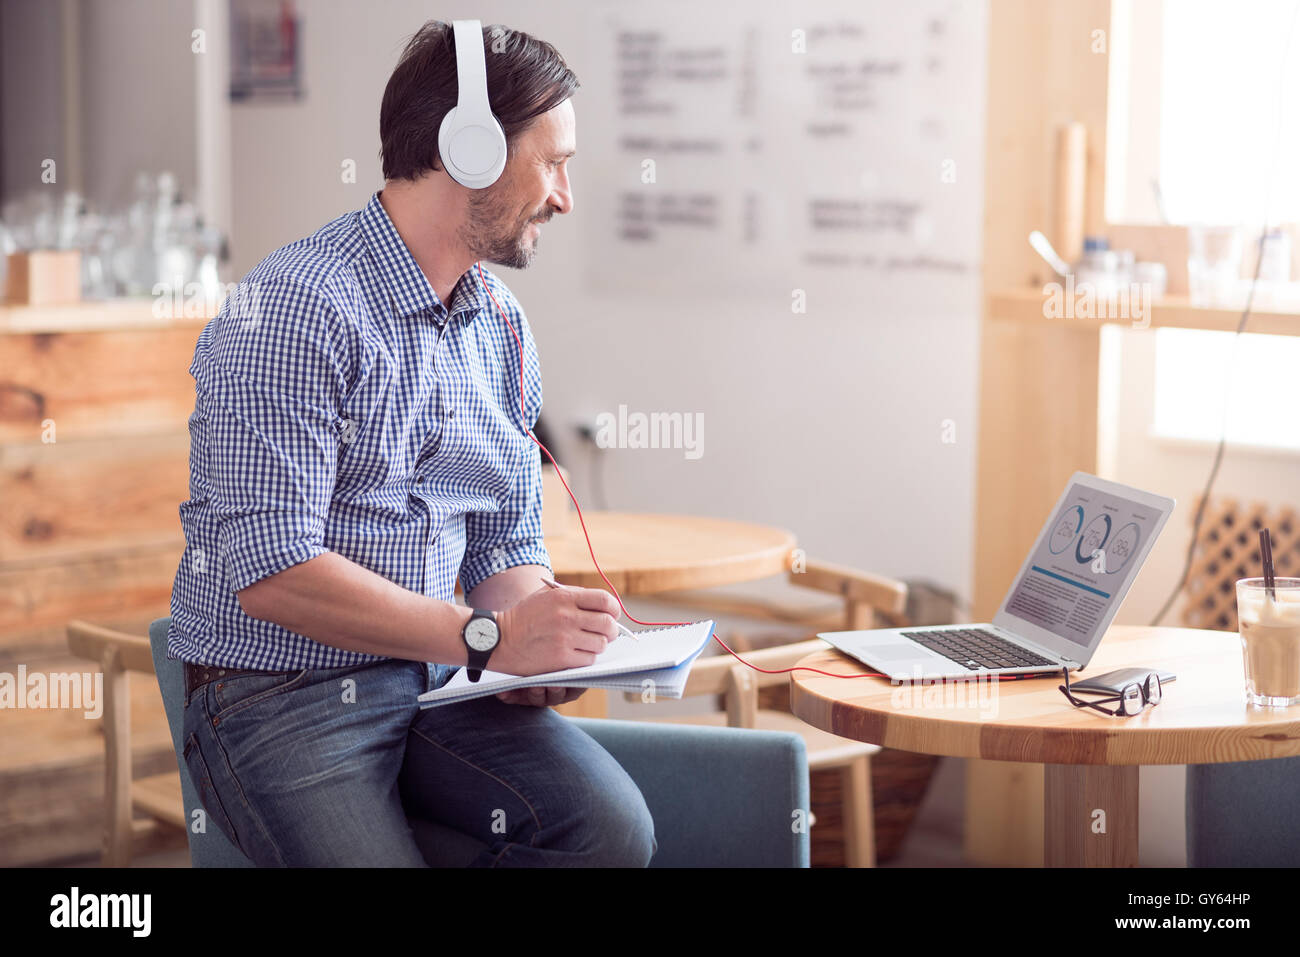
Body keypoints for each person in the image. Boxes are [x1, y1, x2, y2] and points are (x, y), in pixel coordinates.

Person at [167, 20, 656, 867]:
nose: (565, 197)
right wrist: (485, 638)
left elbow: (503, 540)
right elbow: (273, 570)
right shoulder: (295, 310)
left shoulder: (499, 324)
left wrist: (533, 640)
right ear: (468, 151)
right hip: (277, 697)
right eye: (555, 162)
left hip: (432, 678)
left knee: (612, 831)